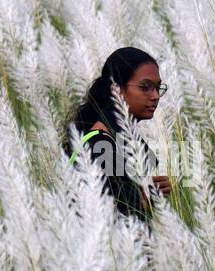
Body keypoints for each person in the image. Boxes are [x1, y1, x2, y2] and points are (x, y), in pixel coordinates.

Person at [65, 47, 172, 220]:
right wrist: (145, 200)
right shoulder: (102, 144)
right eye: (145, 87)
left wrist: (148, 195)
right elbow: (115, 219)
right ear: (117, 89)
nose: (155, 96)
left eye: (158, 88)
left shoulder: (114, 138)